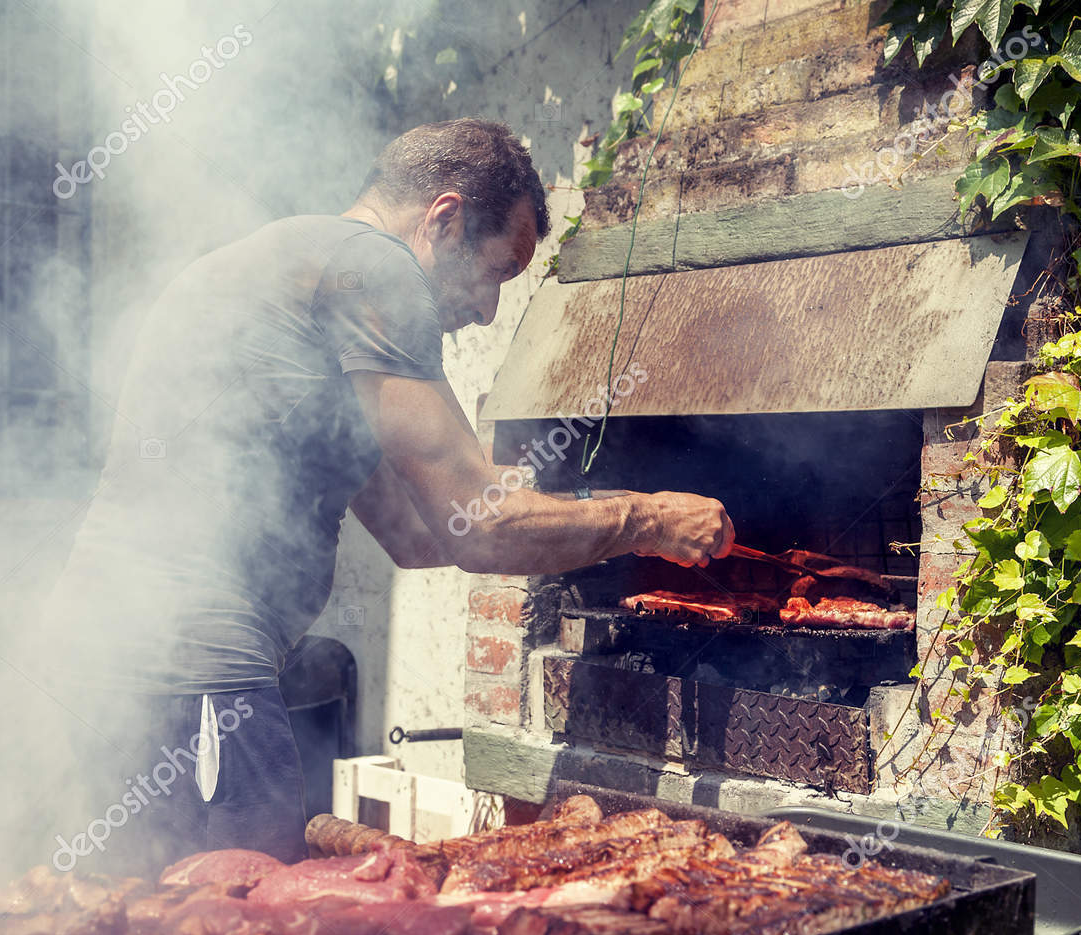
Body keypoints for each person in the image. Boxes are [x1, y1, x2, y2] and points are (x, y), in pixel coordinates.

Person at [44, 119, 734, 874]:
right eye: (499, 273)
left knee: (130, 932)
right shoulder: (372, 269)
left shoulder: (294, 267)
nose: (488, 311)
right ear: (442, 219)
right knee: (244, 926)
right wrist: (648, 518)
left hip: (106, 654)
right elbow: (480, 528)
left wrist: (578, 524)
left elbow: (418, 532)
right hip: (191, 667)